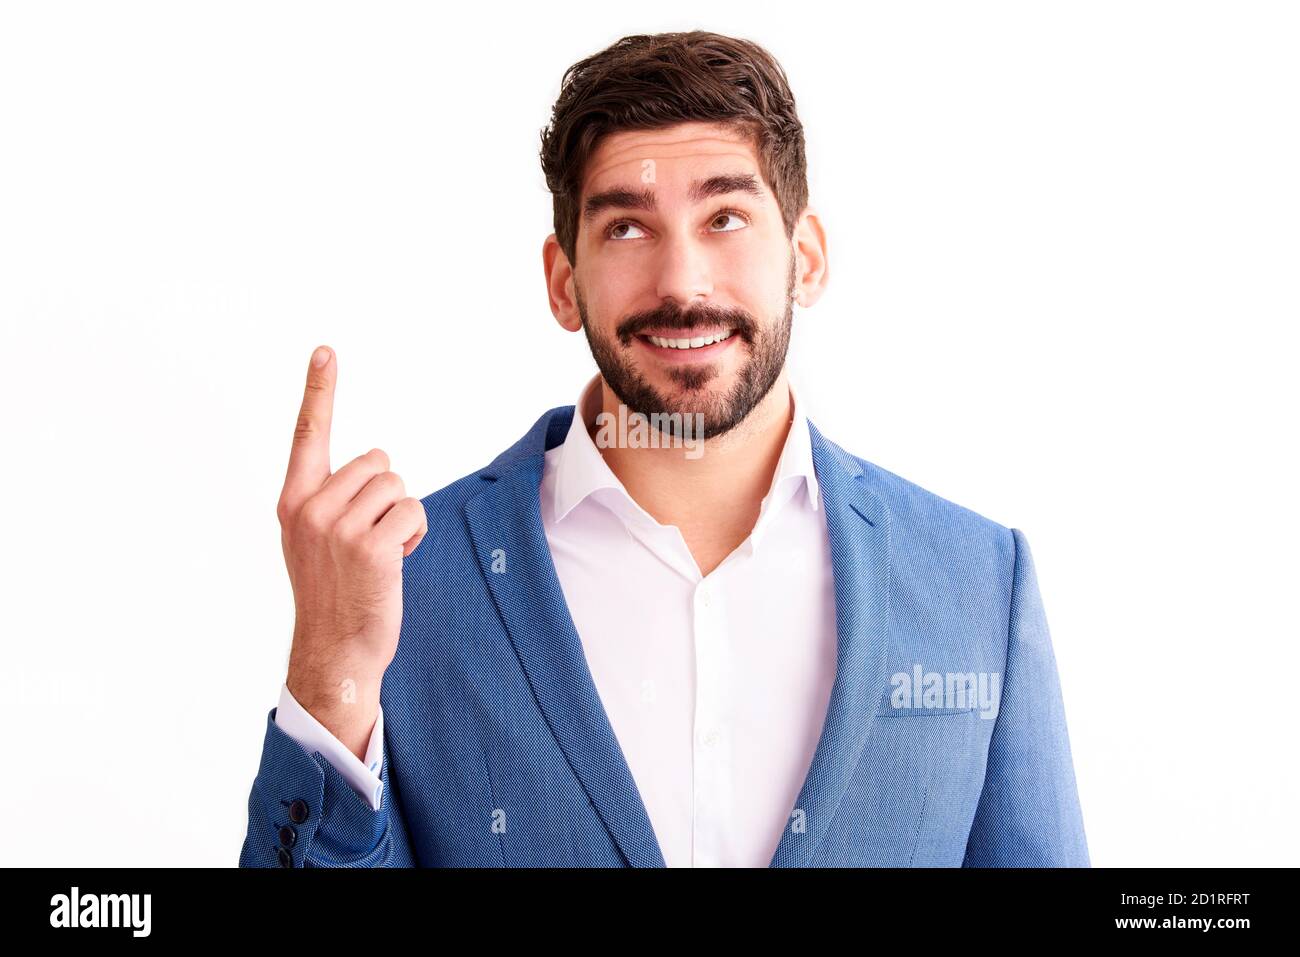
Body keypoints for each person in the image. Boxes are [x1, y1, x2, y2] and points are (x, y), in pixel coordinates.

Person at [239, 30, 1088, 868]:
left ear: (807, 259)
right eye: (627, 230)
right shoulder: (407, 582)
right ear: (564, 281)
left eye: (725, 217)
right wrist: (330, 671)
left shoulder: (978, 582)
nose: (683, 283)